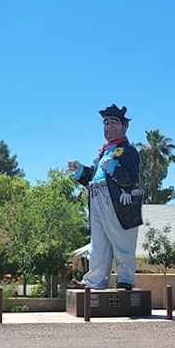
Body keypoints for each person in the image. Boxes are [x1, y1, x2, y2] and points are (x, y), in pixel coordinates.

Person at [67, 104, 143, 290]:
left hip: (116, 200)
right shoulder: (103, 152)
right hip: (96, 196)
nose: (109, 127)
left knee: (122, 239)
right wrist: (81, 170)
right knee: (98, 242)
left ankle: (125, 280)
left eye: (113, 122)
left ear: (125, 126)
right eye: (106, 123)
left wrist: (114, 168)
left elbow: (132, 178)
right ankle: (94, 281)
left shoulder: (129, 151)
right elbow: (95, 175)